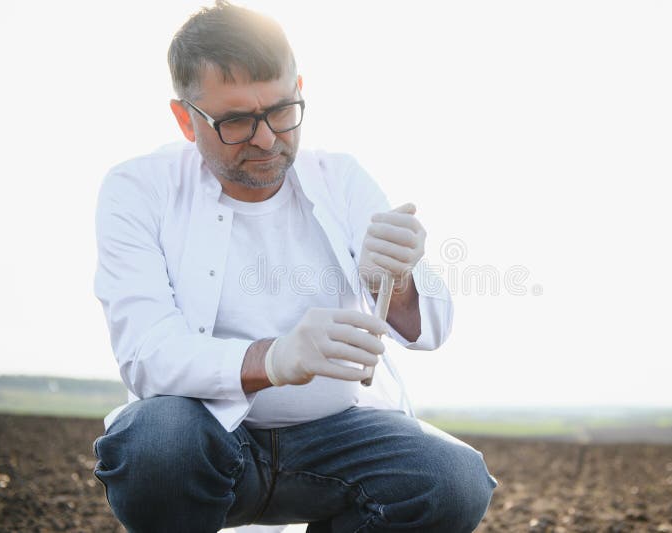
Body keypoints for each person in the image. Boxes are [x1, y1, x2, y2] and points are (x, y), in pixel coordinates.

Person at [91, 2, 496, 532]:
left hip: (335, 440)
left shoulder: (341, 178)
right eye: (235, 120)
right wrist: (274, 358)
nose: (265, 138)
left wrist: (393, 281)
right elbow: (146, 354)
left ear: (299, 87)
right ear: (186, 119)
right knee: (157, 444)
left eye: (281, 110)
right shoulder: (138, 190)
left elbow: (432, 329)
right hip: (205, 437)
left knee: (453, 480)